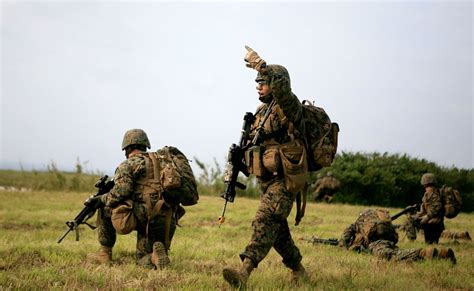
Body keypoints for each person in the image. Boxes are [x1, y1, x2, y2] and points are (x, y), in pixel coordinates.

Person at [222, 46, 310, 288]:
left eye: (263, 81)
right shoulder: (261, 112)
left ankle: (244, 271)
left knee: (264, 220)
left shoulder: (289, 107)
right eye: (257, 82)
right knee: (277, 231)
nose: (258, 85)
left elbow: (282, 87)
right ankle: (299, 270)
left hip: (285, 180)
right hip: (267, 181)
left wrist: (260, 63)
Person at [87, 129, 179, 269]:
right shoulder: (163, 162)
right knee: (144, 258)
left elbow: (122, 191)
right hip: (167, 216)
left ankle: (104, 253)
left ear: (126, 148)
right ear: (145, 146)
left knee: (106, 206)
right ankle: (155, 256)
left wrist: (101, 199)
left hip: (144, 215)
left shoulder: (127, 165)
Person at [340, 209, 456, 264]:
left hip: (377, 241)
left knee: (388, 254)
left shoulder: (361, 221)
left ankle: (424, 253)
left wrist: (344, 247)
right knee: (398, 253)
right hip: (389, 238)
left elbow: (347, 232)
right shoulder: (377, 217)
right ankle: (440, 255)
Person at [403, 173, 445, 244]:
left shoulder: (434, 193)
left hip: (433, 223)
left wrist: (427, 217)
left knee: (430, 243)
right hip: (432, 222)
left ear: (425, 182)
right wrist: (417, 214)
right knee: (430, 243)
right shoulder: (428, 193)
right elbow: (425, 209)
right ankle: (411, 241)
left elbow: (437, 207)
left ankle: (411, 240)